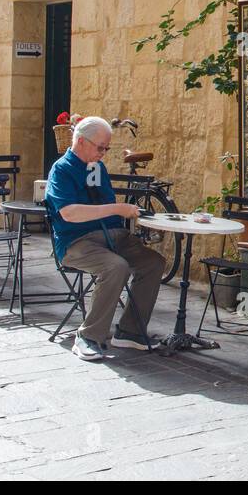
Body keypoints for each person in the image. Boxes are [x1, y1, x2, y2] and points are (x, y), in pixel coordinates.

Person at [45, 116, 165, 360]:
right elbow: (70, 213)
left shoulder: (96, 168)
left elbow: (105, 205)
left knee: (153, 262)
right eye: (100, 147)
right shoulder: (62, 170)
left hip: (113, 236)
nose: (103, 153)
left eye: (106, 148)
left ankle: (129, 332)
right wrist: (116, 209)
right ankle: (88, 337)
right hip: (76, 242)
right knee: (115, 267)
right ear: (80, 141)